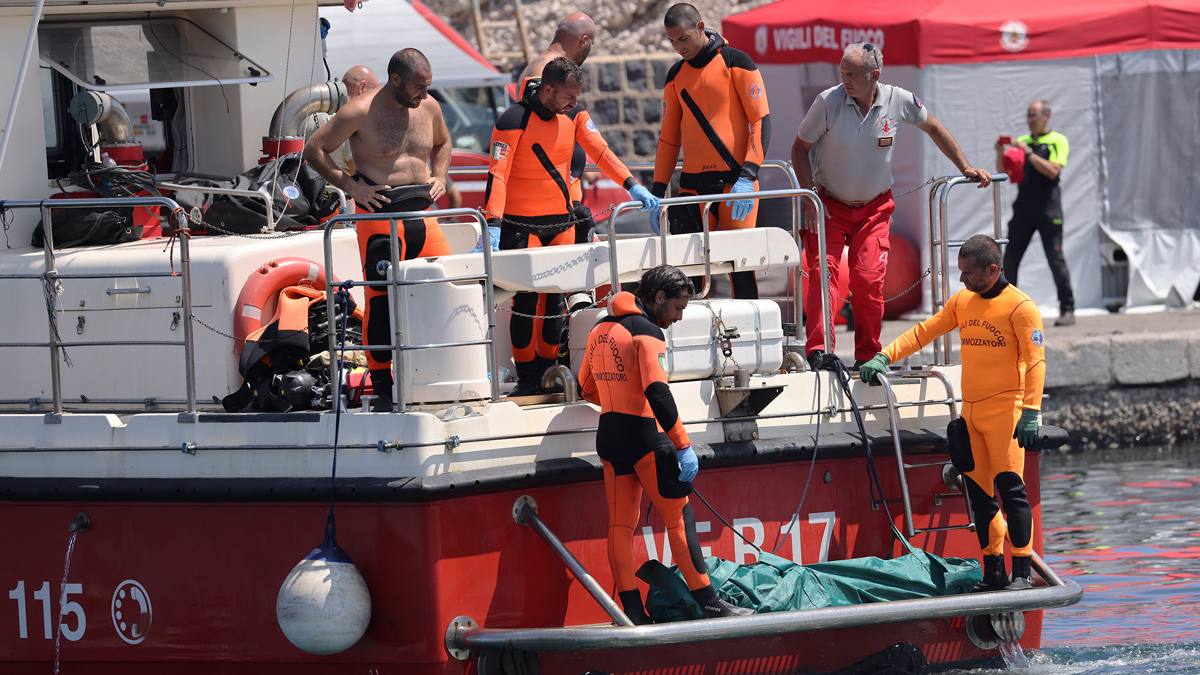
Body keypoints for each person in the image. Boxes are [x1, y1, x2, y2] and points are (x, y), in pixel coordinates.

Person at [859, 235, 1044, 591]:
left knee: (1011, 491)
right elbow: (925, 331)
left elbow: (1036, 361)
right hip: (971, 412)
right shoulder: (962, 302)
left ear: (992, 270)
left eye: (969, 274)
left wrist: (1032, 410)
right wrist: (885, 356)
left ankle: (1022, 574)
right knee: (980, 496)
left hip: (1006, 412)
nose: (962, 281)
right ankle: (994, 573)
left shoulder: (1021, 308)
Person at [791, 42, 991, 371]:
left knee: (868, 281)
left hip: (874, 209)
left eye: (853, 74)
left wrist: (964, 167)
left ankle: (867, 357)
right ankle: (819, 352)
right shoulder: (827, 102)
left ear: (875, 76)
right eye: (842, 72)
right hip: (828, 207)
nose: (846, 79)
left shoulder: (899, 100)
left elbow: (935, 127)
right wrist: (808, 195)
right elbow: (800, 149)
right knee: (823, 275)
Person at [579, 265, 754, 622]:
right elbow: (657, 391)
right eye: (677, 308)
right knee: (679, 519)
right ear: (658, 298)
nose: (678, 317)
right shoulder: (648, 332)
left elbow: (585, 386)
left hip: (609, 434)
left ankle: (630, 609)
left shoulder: (599, 328)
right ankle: (709, 602)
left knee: (620, 526)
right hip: (646, 437)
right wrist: (684, 445)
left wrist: (619, 403)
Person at [484, 57, 658, 397]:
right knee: (525, 301)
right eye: (569, 95)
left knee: (552, 302)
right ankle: (527, 379)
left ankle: (551, 372)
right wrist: (493, 223)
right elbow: (498, 174)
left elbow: (601, 151)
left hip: (561, 223)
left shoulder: (575, 116)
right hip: (522, 226)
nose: (575, 102)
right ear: (548, 89)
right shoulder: (513, 119)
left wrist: (632, 184)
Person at [305, 49, 453, 412]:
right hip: (379, 216)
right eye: (419, 86)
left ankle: (439, 371)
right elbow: (314, 149)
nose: (424, 93)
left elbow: (444, 143)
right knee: (381, 301)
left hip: (422, 214)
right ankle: (383, 385)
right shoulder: (359, 111)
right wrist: (354, 188)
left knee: (449, 286)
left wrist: (441, 175)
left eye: (428, 86)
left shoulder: (429, 107)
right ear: (397, 80)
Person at [652, 3, 771, 300]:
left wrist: (749, 175)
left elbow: (760, 120)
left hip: (736, 184)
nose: (678, 47)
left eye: (683, 38)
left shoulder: (736, 62)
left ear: (701, 27)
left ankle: (748, 340)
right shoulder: (675, 76)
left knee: (740, 268)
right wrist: (656, 191)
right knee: (688, 277)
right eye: (671, 41)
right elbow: (668, 140)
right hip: (693, 189)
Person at [517, 13, 600, 243]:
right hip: (557, 201)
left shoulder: (537, 67)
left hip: (560, 194)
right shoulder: (544, 72)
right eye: (591, 45)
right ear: (583, 40)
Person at [996, 100, 1075, 326]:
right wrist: (1000, 153)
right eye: (1028, 115)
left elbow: (1053, 170)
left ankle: (1067, 308)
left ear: (1047, 116)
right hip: (1024, 207)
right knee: (1009, 259)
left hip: (1049, 209)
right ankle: (1006, 311)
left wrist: (1028, 153)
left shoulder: (1057, 140)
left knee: (1055, 259)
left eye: (1034, 116)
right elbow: (1006, 173)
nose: (1030, 120)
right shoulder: (1024, 143)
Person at [300, 65, 380, 175]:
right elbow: (359, 175)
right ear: (362, 87)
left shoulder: (308, 121)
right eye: (374, 94)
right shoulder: (355, 124)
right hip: (343, 191)